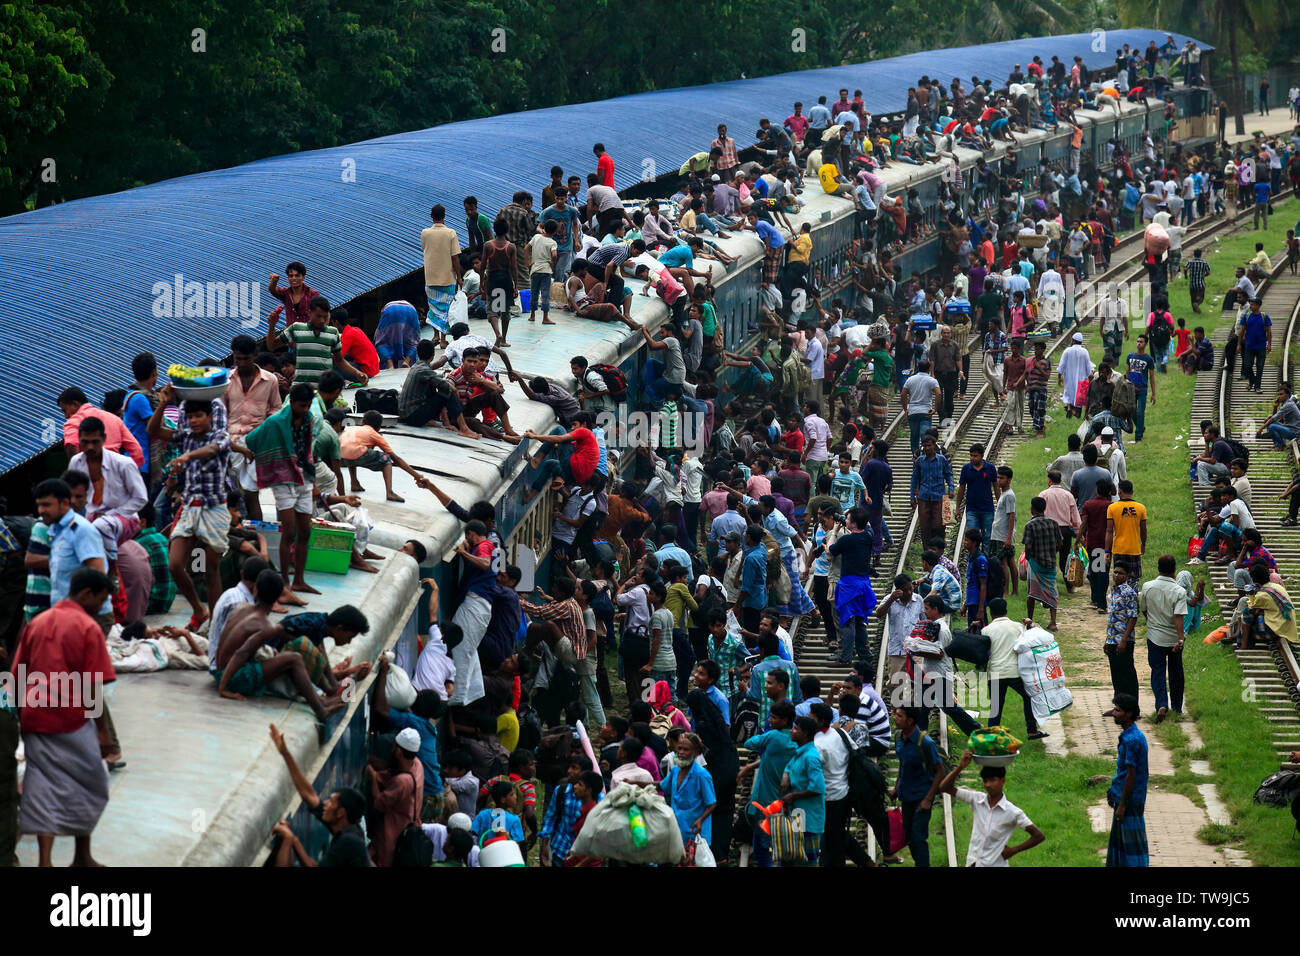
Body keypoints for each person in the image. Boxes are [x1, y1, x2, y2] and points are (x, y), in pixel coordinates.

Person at [11, 568, 116, 867]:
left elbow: (17, 675)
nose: (101, 607)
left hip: (35, 716)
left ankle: (46, 861)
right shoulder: (87, 627)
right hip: (71, 718)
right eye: (101, 600)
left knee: (43, 786)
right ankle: (82, 855)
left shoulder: (38, 622)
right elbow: (92, 683)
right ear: (86, 594)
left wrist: (18, 717)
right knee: (91, 782)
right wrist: (103, 732)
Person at [147, 390, 230, 628]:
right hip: (190, 507)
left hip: (215, 509)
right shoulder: (186, 435)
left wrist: (188, 456)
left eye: (198, 416)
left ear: (210, 417)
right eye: (190, 416)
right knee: (174, 564)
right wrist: (162, 405)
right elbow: (153, 431)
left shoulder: (220, 436)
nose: (193, 421)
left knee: (211, 569)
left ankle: (216, 623)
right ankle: (198, 610)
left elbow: (212, 450)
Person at [269, 724, 370, 866]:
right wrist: (285, 753)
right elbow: (309, 796)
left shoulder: (349, 842)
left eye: (331, 801)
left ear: (340, 812)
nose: (326, 803)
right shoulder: (348, 829)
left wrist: (290, 839)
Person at [938, 749, 1045, 866]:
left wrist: (1013, 850)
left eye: (993, 780)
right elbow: (944, 787)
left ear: (1002, 781)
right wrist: (960, 767)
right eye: (985, 781)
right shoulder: (976, 799)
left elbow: (1038, 836)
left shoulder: (1012, 812)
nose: (988, 785)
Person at [891, 705, 945, 868]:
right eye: (895, 714)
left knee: (918, 837)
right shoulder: (898, 736)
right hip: (906, 795)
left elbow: (939, 771)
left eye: (899, 716)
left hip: (921, 796)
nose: (895, 718)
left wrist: (928, 799)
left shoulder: (925, 743)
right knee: (908, 835)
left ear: (910, 720)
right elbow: (903, 763)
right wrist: (896, 786)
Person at [982, 598, 1044, 738]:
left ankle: (992, 736)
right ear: (1006, 610)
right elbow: (1028, 642)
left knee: (996, 707)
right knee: (1029, 697)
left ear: (990, 612)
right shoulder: (1017, 627)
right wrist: (1030, 625)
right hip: (1015, 672)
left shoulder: (986, 630)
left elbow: (983, 653)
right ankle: (1031, 730)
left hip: (996, 672)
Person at [1141, 555, 1187, 723]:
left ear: (1158, 568)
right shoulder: (1179, 591)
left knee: (1158, 672)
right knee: (1176, 673)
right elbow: (1178, 617)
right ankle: (1176, 707)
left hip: (1154, 637)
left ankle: (1161, 704)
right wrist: (1181, 639)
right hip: (1173, 639)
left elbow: (1144, 610)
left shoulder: (1147, 587)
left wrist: (1152, 622)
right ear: (1174, 570)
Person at [1105, 693, 1149, 867]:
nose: (1114, 714)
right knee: (1121, 844)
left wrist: (1122, 804)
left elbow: (1131, 774)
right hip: (1129, 797)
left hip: (1129, 800)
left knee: (1132, 846)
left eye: (1118, 710)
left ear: (1129, 714)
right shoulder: (1134, 735)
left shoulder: (1131, 740)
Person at [778, 715, 826, 866]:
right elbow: (789, 766)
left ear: (805, 733)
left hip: (808, 819)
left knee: (805, 861)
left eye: (795, 729)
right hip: (797, 817)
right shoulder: (800, 753)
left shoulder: (811, 757)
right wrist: (786, 775)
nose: (791, 731)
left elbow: (817, 787)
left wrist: (793, 795)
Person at [659, 731, 716, 850]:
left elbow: (711, 804)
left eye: (686, 750)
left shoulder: (702, 775)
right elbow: (662, 786)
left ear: (696, 753)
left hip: (695, 830)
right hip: (678, 828)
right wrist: (638, 784)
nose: (681, 753)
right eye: (679, 749)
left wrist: (700, 820)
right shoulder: (675, 771)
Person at [1105, 562, 1140, 699]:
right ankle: (1118, 704)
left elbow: (1132, 617)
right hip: (1112, 639)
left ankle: (1132, 707)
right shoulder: (1113, 591)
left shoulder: (1129, 593)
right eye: (1115, 572)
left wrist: (1124, 640)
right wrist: (1107, 640)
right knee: (1116, 673)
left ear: (1127, 576)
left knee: (1127, 673)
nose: (1116, 575)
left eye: (1120, 573)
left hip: (1124, 640)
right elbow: (1112, 618)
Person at [1106, 480, 1147, 580]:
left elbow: (1109, 531)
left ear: (1119, 492)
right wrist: (1143, 544)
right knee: (1134, 578)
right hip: (1134, 549)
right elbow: (1143, 530)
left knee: (1119, 579)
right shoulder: (1141, 508)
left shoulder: (1112, 508)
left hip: (1118, 549)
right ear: (1132, 492)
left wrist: (1107, 550)